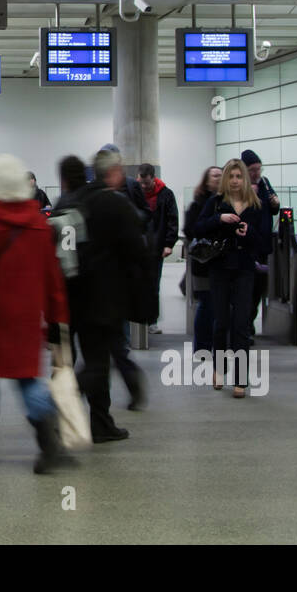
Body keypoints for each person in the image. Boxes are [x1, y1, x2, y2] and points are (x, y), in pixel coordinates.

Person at [0, 154, 74, 473]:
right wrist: (57, 316)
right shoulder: (38, 224)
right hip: (25, 318)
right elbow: (52, 275)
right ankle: (50, 445)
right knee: (27, 381)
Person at [53, 153, 149, 441]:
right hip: (102, 297)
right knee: (97, 363)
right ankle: (71, 412)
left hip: (67, 297)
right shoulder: (111, 203)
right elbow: (137, 248)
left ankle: (99, 422)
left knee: (67, 363)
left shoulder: (63, 205)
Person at [194, 158, 273, 397]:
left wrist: (248, 233)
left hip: (244, 269)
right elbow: (198, 229)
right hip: (219, 268)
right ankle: (219, 367)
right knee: (221, 322)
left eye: (240, 177)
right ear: (226, 179)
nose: (236, 181)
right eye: (232, 176)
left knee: (240, 324)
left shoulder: (256, 206)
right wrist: (219, 219)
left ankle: (240, 378)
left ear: (245, 179)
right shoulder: (216, 203)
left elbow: (264, 243)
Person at [95, 148, 152, 405]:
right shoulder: (101, 199)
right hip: (111, 282)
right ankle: (130, 382)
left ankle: (93, 400)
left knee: (111, 344)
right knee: (114, 343)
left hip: (109, 284)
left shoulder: (122, 194)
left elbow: (145, 214)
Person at [136, 163, 178, 335]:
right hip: (138, 248)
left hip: (156, 248)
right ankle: (137, 321)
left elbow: (172, 220)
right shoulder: (135, 193)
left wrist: (169, 244)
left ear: (153, 178)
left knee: (154, 286)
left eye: (146, 183)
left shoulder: (166, 195)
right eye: (141, 182)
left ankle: (151, 320)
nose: (144, 186)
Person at [184, 166, 222, 357]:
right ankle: (202, 347)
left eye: (221, 175)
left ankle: (219, 345)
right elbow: (190, 230)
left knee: (219, 305)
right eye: (215, 175)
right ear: (206, 181)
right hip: (203, 262)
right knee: (206, 304)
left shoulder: (226, 202)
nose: (218, 178)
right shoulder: (197, 205)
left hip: (220, 263)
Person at [241, 149, 279, 334]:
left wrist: (275, 204)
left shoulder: (264, 183)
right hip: (248, 245)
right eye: (253, 170)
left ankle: (249, 320)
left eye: (259, 169)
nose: (256, 173)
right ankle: (244, 325)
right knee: (246, 287)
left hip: (263, 244)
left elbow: (272, 210)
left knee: (258, 288)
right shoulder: (239, 186)